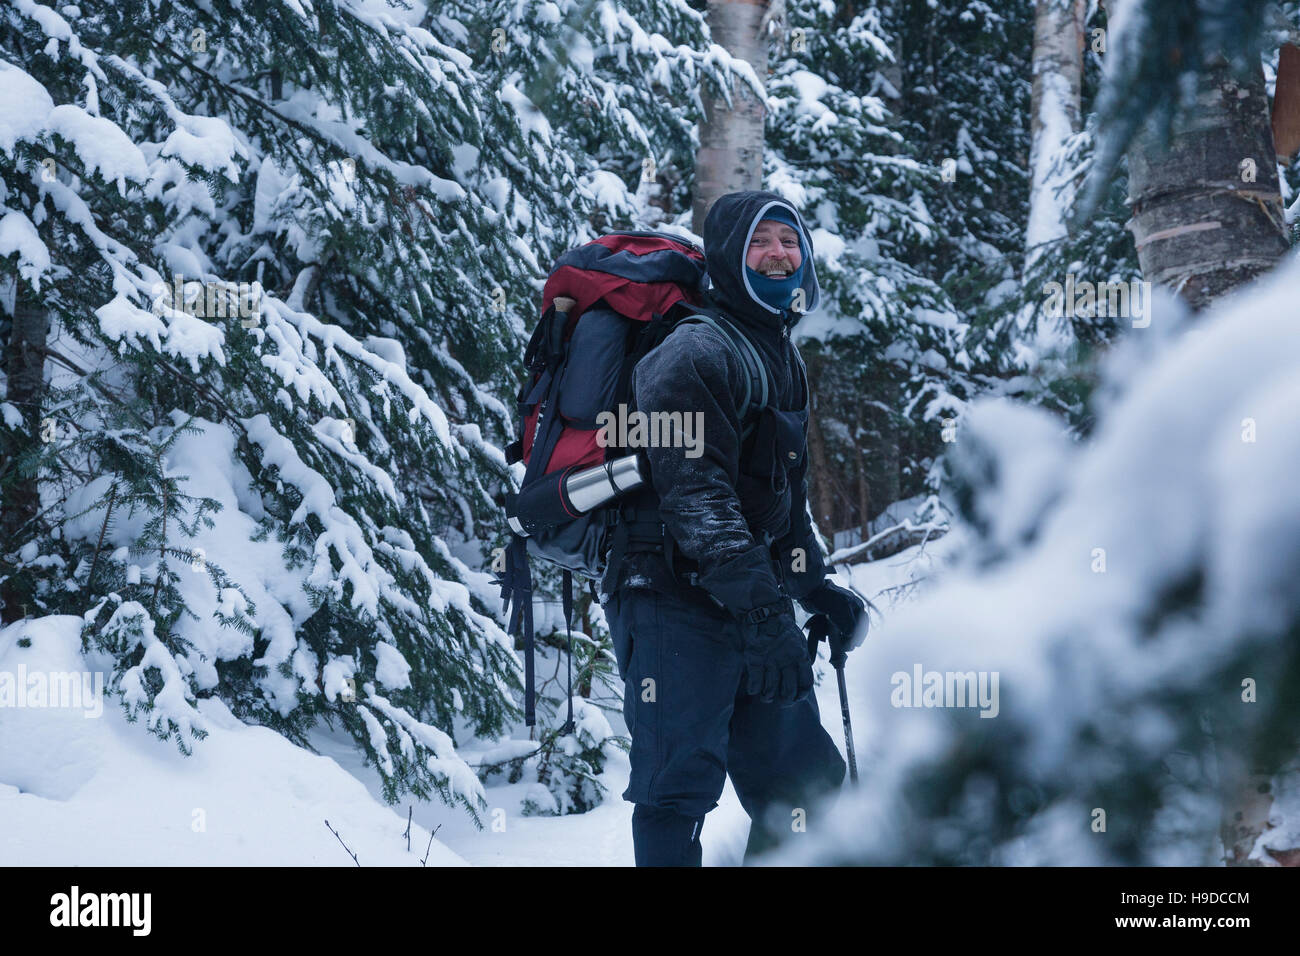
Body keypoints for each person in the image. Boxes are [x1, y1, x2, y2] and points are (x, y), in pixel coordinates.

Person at [599, 190, 868, 866]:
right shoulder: (692, 352)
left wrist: (813, 589)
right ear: (727, 256)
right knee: (677, 792)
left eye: (789, 240)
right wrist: (763, 617)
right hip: (668, 596)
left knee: (805, 787)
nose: (780, 253)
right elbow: (696, 499)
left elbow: (783, 498)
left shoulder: (778, 353)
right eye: (760, 241)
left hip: (748, 599)